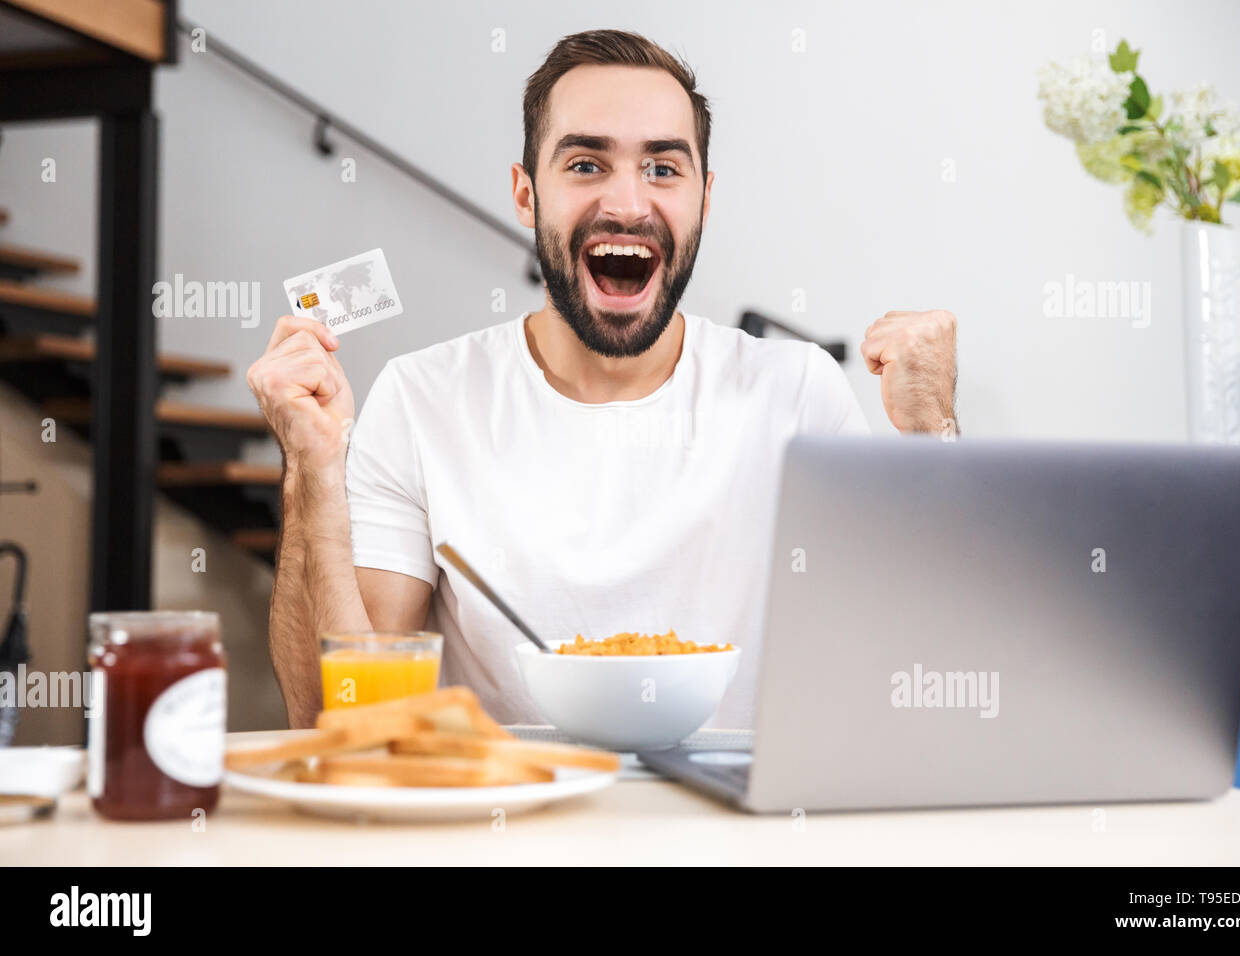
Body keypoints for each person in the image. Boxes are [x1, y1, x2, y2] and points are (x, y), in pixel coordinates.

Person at [247, 29, 958, 729]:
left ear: (705, 199)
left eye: (663, 168)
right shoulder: (421, 397)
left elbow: (914, 678)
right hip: (509, 838)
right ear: (526, 196)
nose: (626, 204)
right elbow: (339, 721)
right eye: (586, 164)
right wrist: (311, 472)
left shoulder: (797, 393)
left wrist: (933, 439)